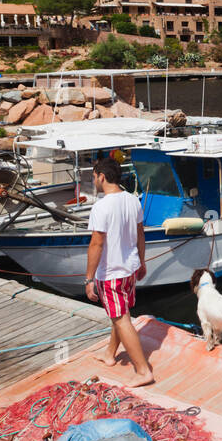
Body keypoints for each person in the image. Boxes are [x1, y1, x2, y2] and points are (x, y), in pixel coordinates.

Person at [85, 157, 153, 387]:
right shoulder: (133, 200)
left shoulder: (101, 207)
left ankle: (143, 371)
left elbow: (96, 244)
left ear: (101, 177)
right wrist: (142, 262)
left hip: (112, 273)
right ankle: (110, 354)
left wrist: (88, 278)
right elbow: (140, 234)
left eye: (94, 176)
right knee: (119, 313)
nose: (94, 180)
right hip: (130, 269)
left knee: (121, 318)